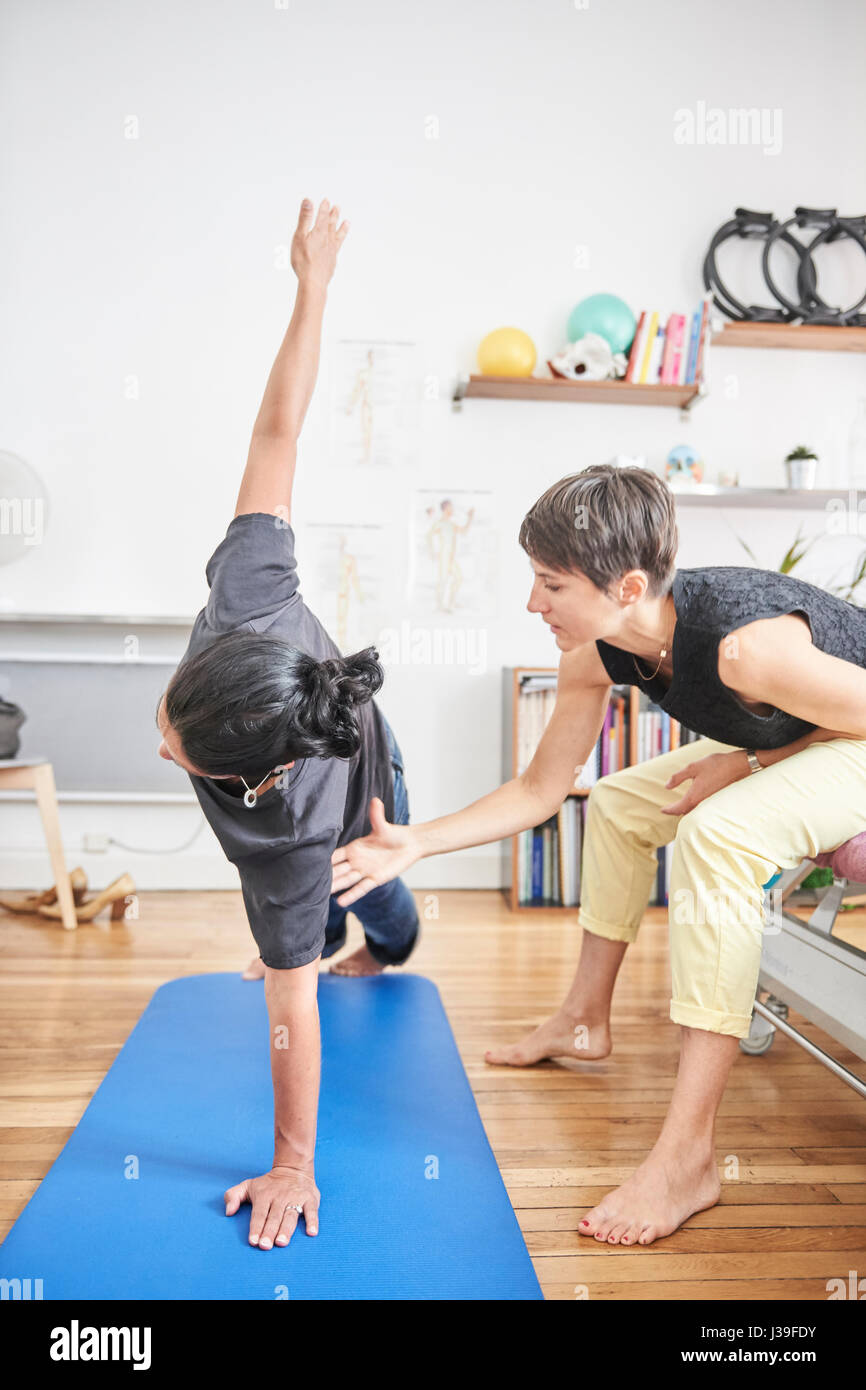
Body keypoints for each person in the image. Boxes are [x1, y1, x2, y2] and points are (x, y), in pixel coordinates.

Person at [331, 462, 866, 1247]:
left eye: (552, 584)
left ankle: (688, 1157)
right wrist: (418, 842)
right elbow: (542, 789)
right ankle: (583, 1019)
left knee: (716, 834)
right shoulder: (596, 650)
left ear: (626, 587)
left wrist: (738, 765)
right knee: (615, 803)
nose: (532, 602)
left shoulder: (746, 648)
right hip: (799, 740)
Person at [155, 197, 420, 1251]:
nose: (158, 742)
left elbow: (288, 1013)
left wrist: (292, 1165)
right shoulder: (248, 593)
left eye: (175, 748)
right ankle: (328, 936)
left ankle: (389, 943)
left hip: (358, 786)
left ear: (244, 780)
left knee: (364, 902)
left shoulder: (286, 840)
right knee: (295, 942)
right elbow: (278, 428)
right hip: (320, 725)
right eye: (172, 715)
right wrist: (311, 285)